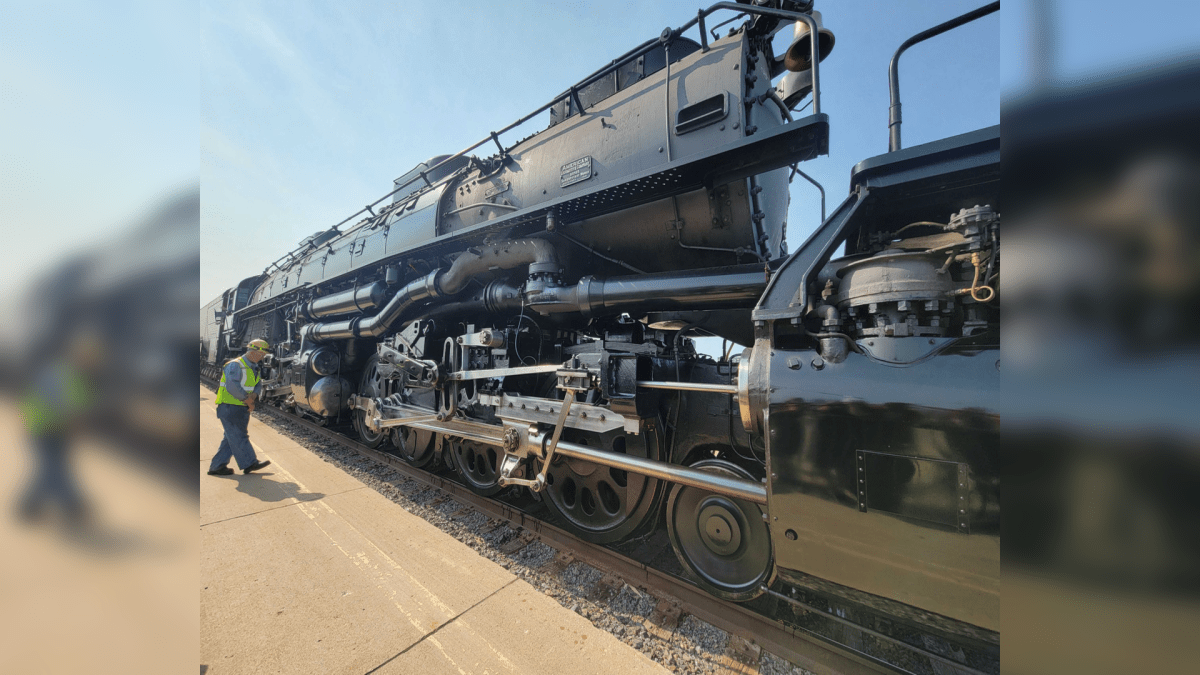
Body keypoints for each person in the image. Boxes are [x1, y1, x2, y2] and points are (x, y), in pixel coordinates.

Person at [207, 339, 272, 476]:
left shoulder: (254, 367)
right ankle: (250, 463)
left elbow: (257, 384)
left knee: (231, 437)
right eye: (261, 354)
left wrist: (253, 396)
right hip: (230, 406)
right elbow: (232, 386)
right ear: (253, 352)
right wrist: (248, 400)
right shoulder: (235, 365)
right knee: (239, 436)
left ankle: (217, 466)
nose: (262, 357)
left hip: (241, 407)